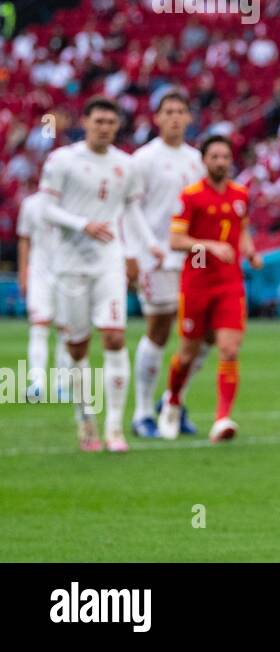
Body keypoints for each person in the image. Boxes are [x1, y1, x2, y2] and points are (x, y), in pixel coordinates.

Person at [39, 97, 163, 453]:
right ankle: (85, 420)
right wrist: (83, 225)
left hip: (109, 259)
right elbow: (45, 208)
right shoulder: (63, 160)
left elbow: (131, 210)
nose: (105, 127)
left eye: (111, 122)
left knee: (113, 337)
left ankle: (114, 429)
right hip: (69, 262)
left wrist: (148, 245)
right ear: (86, 121)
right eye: (99, 121)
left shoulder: (126, 165)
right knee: (77, 346)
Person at [159, 135, 263, 442]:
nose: (221, 162)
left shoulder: (241, 195)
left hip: (230, 284)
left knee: (229, 349)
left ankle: (222, 419)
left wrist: (251, 253)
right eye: (215, 157)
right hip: (197, 283)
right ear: (204, 161)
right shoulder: (190, 196)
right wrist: (210, 247)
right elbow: (176, 241)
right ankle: (173, 402)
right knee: (188, 353)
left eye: (225, 157)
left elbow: (241, 232)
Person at [125, 90, 207, 438]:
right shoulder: (143, 159)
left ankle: (173, 400)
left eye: (180, 111)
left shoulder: (196, 160)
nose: (175, 117)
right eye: (168, 111)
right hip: (156, 256)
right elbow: (129, 209)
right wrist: (136, 252)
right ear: (156, 118)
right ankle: (142, 412)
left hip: (192, 257)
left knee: (201, 336)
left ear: (189, 118)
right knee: (158, 330)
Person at [17, 188, 72, 400]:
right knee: (39, 326)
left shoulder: (71, 202)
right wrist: (23, 272)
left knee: (65, 330)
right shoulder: (30, 204)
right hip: (39, 273)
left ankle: (62, 385)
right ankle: (37, 384)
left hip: (67, 272)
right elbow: (24, 239)